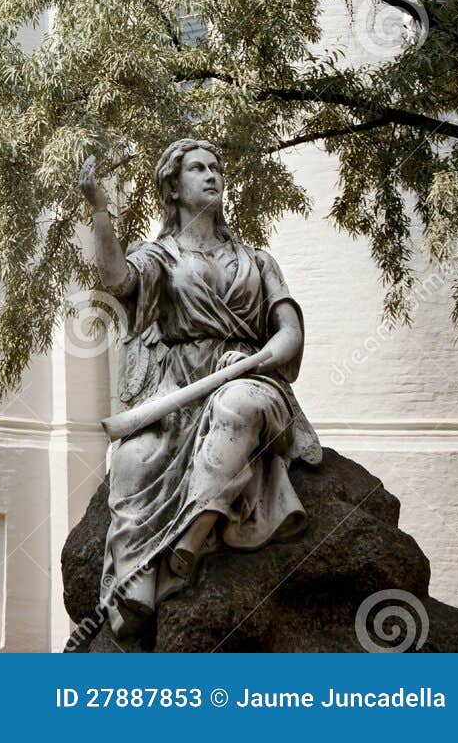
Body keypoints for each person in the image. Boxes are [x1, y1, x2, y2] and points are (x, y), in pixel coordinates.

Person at [80, 138, 321, 641]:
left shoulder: (258, 260)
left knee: (236, 407)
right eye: (198, 169)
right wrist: (101, 212)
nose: (212, 176)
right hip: (179, 388)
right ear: (174, 185)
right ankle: (135, 580)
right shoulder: (159, 258)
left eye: (216, 168)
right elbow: (116, 279)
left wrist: (255, 360)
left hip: (253, 378)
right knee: (134, 459)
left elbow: (289, 334)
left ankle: (190, 540)